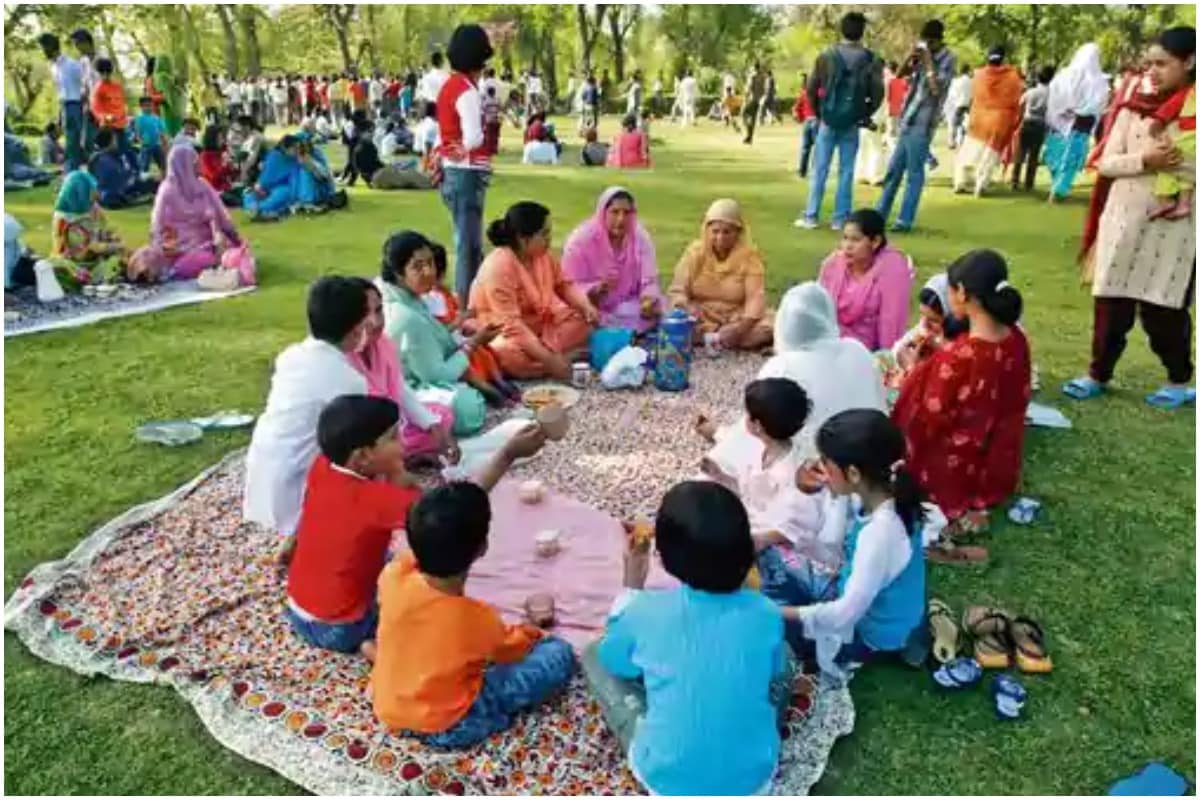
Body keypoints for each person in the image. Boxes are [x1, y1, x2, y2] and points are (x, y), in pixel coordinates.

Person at [581, 481, 791, 795]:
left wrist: (630, 589)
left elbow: (615, 663)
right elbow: (774, 673)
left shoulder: (642, 610)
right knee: (780, 651)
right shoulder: (767, 612)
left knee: (594, 653)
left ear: (664, 558)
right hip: (755, 778)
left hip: (666, 780)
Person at [372, 477, 575, 747]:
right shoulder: (475, 617)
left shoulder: (394, 575)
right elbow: (510, 650)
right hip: (449, 723)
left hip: (389, 707)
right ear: (482, 548)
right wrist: (531, 629)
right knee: (558, 655)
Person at [1064, 27, 1196, 410]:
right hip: (1123, 222)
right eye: (1149, 63)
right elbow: (1105, 162)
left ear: (1189, 62)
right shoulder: (1131, 106)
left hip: (1172, 229)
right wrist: (1146, 161)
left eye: (1162, 64)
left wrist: (1178, 167)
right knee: (1110, 307)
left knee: (1164, 312)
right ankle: (1097, 375)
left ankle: (1178, 380)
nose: (1152, 72)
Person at [772, 409, 927, 678]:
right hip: (875, 601)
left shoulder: (880, 533)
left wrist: (777, 613)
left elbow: (843, 614)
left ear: (854, 473)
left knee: (767, 626)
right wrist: (823, 486)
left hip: (871, 632)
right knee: (780, 563)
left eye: (826, 463)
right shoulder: (887, 494)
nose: (819, 467)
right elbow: (835, 540)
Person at [892, 250, 1030, 537]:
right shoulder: (1016, 340)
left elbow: (931, 413)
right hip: (997, 456)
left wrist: (915, 373)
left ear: (962, 293)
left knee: (910, 430)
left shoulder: (961, 355)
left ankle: (956, 503)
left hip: (958, 464)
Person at [705, 282, 886, 481]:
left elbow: (758, 427)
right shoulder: (857, 350)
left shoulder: (782, 366)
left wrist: (721, 435)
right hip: (871, 465)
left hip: (810, 474)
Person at [281, 395, 416, 658]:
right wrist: (401, 480)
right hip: (340, 626)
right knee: (411, 591)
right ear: (363, 455)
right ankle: (369, 646)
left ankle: (364, 641)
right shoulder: (379, 501)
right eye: (393, 438)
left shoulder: (321, 466)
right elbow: (443, 515)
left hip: (297, 609)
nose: (403, 444)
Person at [244, 277, 375, 537]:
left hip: (262, 470)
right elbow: (355, 458)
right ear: (356, 330)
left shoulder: (291, 355)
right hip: (298, 491)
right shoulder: (349, 381)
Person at [378, 231, 493, 436]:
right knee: (468, 408)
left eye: (430, 262)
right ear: (398, 272)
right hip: (401, 389)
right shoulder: (405, 315)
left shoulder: (397, 292)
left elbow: (432, 338)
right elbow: (437, 375)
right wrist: (472, 344)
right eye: (418, 266)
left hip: (403, 378)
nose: (429, 272)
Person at [469, 202, 597, 379]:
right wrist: (551, 362)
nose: (550, 239)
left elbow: (564, 285)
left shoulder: (542, 255)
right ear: (523, 239)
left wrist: (585, 306)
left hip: (538, 326)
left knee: (584, 324)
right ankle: (550, 364)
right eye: (544, 234)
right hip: (500, 332)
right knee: (506, 353)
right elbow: (511, 325)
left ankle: (545, 359)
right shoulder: (499, 267)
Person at [698, 379, 821, 555]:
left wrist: (761, 540)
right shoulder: (762, 448)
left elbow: (798, 526)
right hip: (752, 521)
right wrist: (720, 476)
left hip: (768, 542)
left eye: (747, 415)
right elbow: (750, 494)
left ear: (757, 426)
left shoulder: (792, 473)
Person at [346, 279, 456, 459]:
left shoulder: (383, 344)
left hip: (394, 424)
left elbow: (399, 387)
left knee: (442, 416)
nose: (375, 321)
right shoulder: (343, 356)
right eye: (364, 314)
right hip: (365, 443)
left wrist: (432, 425)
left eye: (379, 310)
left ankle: (402, 454)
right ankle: (402, 458)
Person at [797, 12, 884, 231]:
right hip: (852, 121)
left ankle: (811, 215)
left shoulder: (826, 55)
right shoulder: (870, 58)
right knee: (846, 171)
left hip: (828, 118)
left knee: (820, 169)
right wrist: (864, 113)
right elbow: (877, 91)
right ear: (862, 32)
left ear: (841, 30)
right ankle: (840, 218)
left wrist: (819, 113)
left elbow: (811, 88)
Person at [875, 20, 957, 232]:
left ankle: (905, 220)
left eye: (930, 42)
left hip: (924, 121)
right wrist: (909, 58)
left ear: (939, 40)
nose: (927, 46)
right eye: (924, 42)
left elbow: (936, 89)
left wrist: (929, 63)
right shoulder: (921, 55)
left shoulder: (949, 58)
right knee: (893, 171)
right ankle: (879, 216)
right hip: (907, 118)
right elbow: (899, 76)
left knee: (914, 173)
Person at [422, 243, 522, 407]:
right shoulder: (428, 300)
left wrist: (468, 326)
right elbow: (441, 331)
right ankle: (487, 389)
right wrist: (463, 319)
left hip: (458, 339)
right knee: (468, 360)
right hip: (446, 347)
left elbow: (455, 317)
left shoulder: (443, 294)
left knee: (485, 352)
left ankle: (499, 382)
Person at [437, 25, 495, 308]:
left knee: (468, 243)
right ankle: (466, 305)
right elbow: (474, 136)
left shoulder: (449, 86)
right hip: (467, 171)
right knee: (468, 247)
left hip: (453, 170)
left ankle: (473, 298)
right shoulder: (468, 91)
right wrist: (464, 148)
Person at [669, 199, 773, 350]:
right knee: (669, 320)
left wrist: (739, 329)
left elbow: (755, 299)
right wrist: (686, 307)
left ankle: (713, 339)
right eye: (715, 231)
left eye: (727, 232)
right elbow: (678, 290)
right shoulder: (694, 253)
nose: (720, 238)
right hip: (701, 315)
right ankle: (718, 339)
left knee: (766, 327)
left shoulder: (749, 257)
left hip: (736, 317)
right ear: (707, 230)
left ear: (738, 233)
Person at [561, 187, 663, 334]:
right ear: (603, 213)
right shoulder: (580, 241)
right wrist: (595, 290)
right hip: (589, 309)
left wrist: (648, 299)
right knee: (577, 323)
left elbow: (649, 279)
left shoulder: (639, 237)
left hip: (629, 308)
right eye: (615, 212)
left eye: (626, 213)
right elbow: (568, 286)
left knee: (661, 311)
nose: (621, 219)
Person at [818, 209, 913, 352]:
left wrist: (884, 361)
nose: (847, 246)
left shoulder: (892, 269)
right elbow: (818, 311)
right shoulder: (833, 265)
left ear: (875, 242)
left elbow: (891, 325)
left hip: (869, 354)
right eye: (845, 238)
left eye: (855, 240)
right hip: (829, 345)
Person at [149, 144, 242, 280]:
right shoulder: (167, 191)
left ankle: (217, 261)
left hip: (209, 243)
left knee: (228, 252)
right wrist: (159, 251)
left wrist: (234, 236)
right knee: (186, 264)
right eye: (194, 164)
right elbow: (157, 225)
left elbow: (221, 214)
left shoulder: (203, 185)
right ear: (182, 165)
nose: (199, 167)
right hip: (178, 248)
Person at [953, 47, 1024, 197]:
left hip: (978, 118)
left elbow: (974, 96)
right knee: (989, 155)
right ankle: (980, 185)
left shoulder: (978, 74)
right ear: (1003, 58)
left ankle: (960, 181)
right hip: (1000, 120)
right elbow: (1016, 100)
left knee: (969, 151)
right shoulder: (1013, 77)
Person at [1044, 43, 1110, 202]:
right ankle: (1059, 188)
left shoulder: (1064, 75)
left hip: (1063, 121)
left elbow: (1053, 94)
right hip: (1079, 123)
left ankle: (1058, 189)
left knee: (1059, 156)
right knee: (1068, 159)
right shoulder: (1098, 81)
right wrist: (1079, 110)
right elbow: (1099, 103)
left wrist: (1066, 109)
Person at [50, 171, 127, 266]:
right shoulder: (66, 220)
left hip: (90, 254)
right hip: (76, 263)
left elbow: (106, 228)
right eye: (92, 191)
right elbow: (89, 247)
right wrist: (114, 246)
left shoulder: (91, 207)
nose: (97, 195)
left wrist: (112, 237)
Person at [1147, 71, 1195, 220]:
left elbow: (1168, 108)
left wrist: (1158, 123)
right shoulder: (1189, 92)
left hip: (1189, 134)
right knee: (1176, 161)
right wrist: (1158, 123)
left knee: (1170, 157)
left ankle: (1165, 199)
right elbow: (1170, 107)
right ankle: (1183, 204)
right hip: (1187, 133)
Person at [39, 33, 85, 171]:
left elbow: (85, 84)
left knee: (76, 142)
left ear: (51, 47)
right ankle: (72, 173)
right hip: (64, 106)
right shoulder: (53, 67)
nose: (43, 51)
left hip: (76, 105)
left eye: (44, 47)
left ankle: (72, 173)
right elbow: (61, 91)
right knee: (71, 143)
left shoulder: (72, 64)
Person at [353, 120, 432, 190]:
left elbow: (364, 167)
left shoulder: (363, 146)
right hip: (379, 176)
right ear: (361, 133)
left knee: (407, 172)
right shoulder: (364, 147)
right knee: (410, 174)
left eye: (373, 131)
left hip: (378, 176)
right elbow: (369, 167)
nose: (372, 134)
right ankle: (430, 182)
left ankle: (429, 181)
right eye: (370, 131)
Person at [1010, 66, 1055, 192]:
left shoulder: (1030, 92)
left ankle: (1015, 180)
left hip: (1027, 122)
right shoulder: (1051, 94)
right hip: (1041, 125)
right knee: (1034, 156)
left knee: (1020, 153)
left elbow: (1020, 104)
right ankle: (1029, 183)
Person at [89, 129, 157, 209]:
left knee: (151, 181)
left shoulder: (100, 157)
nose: (116, 142)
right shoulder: (105, 160)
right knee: (151, 182)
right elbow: (119, 178)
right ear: (109, 142)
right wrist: (136, 176)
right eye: (114, 140)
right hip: (113, 193)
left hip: (111, 192)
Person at [243, 135, 301, 220]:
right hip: (266, 188)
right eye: (294, 148)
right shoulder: (273, 155)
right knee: (248, 196)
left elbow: (294, 182)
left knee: (282, 194)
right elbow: (265, 176)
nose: (297, 150)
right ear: (285, 148)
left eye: (298, 148)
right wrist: (259, 187)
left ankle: (259, 210)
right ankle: (259, 210)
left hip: (282, 188)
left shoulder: (296, 160)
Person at [89, 58, 130, 156]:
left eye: (107, 72)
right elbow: (95, 108)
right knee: (112, 152)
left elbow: (122, 104)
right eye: (102, 72)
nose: (105, 75)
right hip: (108, 127)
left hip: (121, 125)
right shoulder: (98, 89)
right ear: (98, 73)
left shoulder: (117, 87)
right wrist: (105, 117)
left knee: (125, 151)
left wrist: (124, 116)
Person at [197, 125, 243, 206]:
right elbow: (213, 178)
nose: (223, 141)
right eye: (220, 138)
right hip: (215, 192)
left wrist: (234, 167)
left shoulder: (221, 153)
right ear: (212, 139)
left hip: (227, 188)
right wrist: (224, 165)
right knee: (236, 200)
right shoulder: (205, 156)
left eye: (223, 138)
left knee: (246, 192)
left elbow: (233, 176)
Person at [133, 96, 169, 175]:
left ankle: (165, 177)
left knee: (163, 163)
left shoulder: (157, 118)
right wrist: (141, 141)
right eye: (145, 106)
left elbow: (162, 132)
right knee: (144, 164)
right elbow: (137, 132)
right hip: (146, 146)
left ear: (152, 105)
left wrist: (165, 143)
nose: (148, 108)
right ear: (141, 107)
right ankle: (143, 179)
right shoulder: (139, 118)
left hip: (157, 144)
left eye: (149, 105)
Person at [151, 54, 184, 137]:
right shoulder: (163, 77)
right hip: (172, 109)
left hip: (167, 108)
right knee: (174, 132)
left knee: (170, 132)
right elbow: (167, 93)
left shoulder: (158, 76)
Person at [794, 72, 818, 177]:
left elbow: (797, 108)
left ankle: (802, 171)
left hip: (807, 121)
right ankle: (816, 171)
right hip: (817, 121)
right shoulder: (819, 92)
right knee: (818, 148)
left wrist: (799, 118)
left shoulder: (804, 93)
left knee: (805, 148)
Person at [945, 65, 973, 149]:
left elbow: (952, 94)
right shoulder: (971, 81)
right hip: (968, 106)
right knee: (966, 124)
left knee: (954, 124)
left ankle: (951, 142)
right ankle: (962, 142)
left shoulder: (956, 81)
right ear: (968, 71)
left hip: (958, 105)